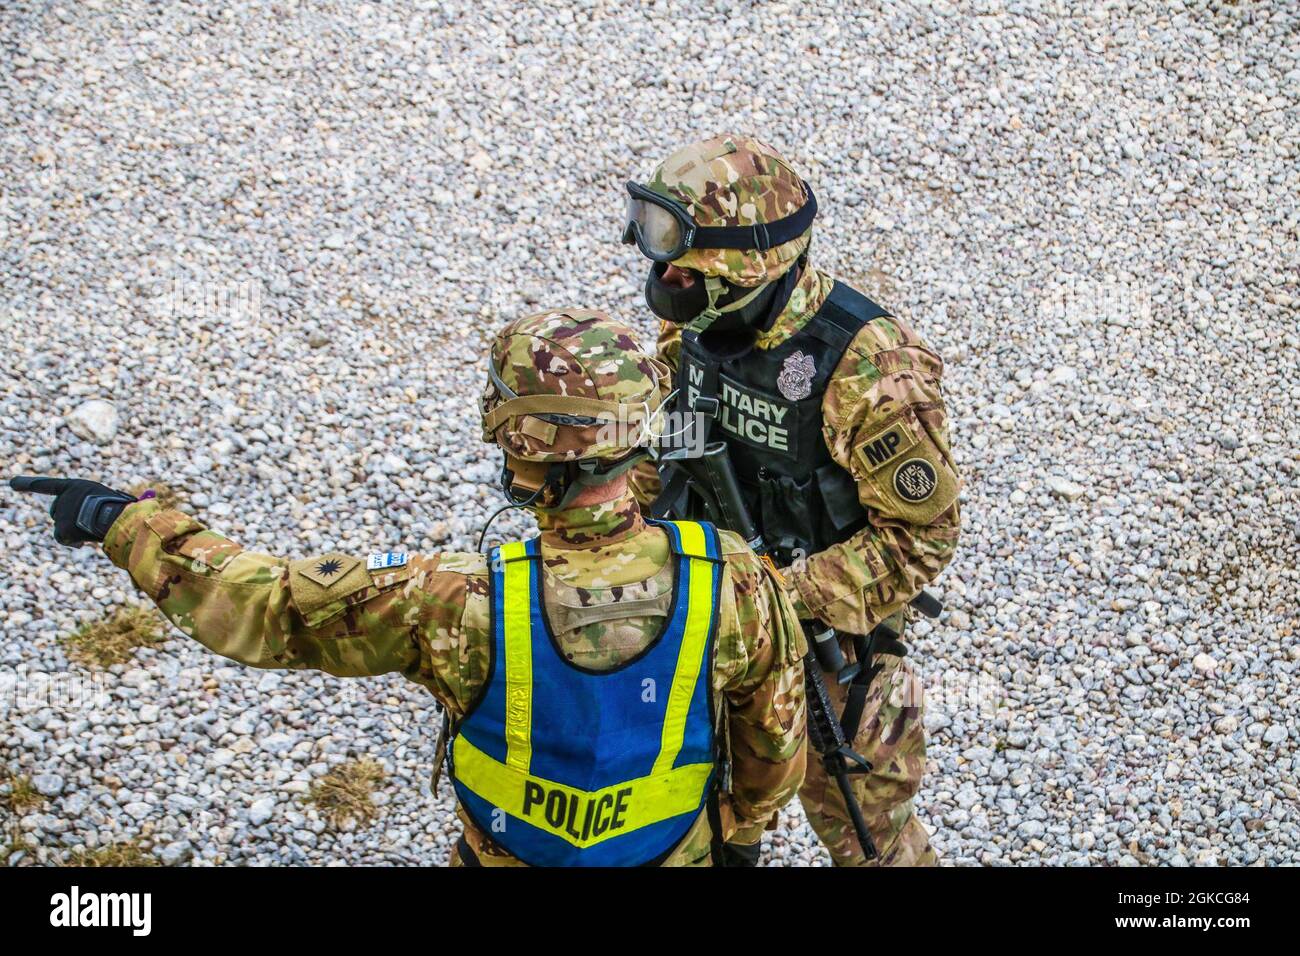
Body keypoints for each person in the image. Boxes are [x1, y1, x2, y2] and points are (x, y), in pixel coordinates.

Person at [11, 308, 807, 867]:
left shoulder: (450, 600)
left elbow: (263, 607)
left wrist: (124, 523)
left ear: (524, 450)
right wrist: (739, 836)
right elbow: (773, 739)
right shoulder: (732, 577)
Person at [623, 134, 962, 866]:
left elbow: (922, 539)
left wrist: (772, 595)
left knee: (865, 832)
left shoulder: (868, 365)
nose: (666, 276)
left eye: (684, 259)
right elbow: (671, 438)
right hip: (710, 619)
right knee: (706, 817)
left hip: (827, 644)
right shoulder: (700, 320)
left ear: (749, 266)